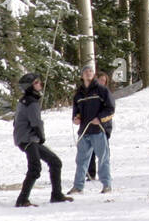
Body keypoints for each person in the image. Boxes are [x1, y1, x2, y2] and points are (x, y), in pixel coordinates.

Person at [13, 72, 72, 207]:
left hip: (28, 139)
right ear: (30, 87)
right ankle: (22, 199)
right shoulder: (31, 103)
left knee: (55, 162)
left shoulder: (26, 101)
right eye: (36, 82)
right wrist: (41, 136)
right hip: (28, 140)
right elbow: (36, 123)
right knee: (35, 169)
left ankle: (56, 194)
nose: (40, 84)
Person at [70, 62, 115, 194]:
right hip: (84, 131)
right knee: (81, 160)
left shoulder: (102, 90)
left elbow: (110, 109)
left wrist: (100, 119)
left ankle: (107, 185)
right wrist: (76, 118)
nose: (88, 73)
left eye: (90, 71)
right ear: (82, 75)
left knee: (103, 158)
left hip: (98, 130)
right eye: (86, 71)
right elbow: (76, 110)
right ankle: (78, 187)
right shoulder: (78, 94)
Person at [86, 71, 113, 180]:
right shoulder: (91, 93)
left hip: (103, 126)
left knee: (104, 152)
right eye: (100, 80)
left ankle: (105, 174)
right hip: (91, 126)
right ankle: (90, 173)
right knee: (89, 151)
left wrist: (100, 119)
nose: (101, 82)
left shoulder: (106, 94)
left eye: (104, 81)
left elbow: (110, 110)